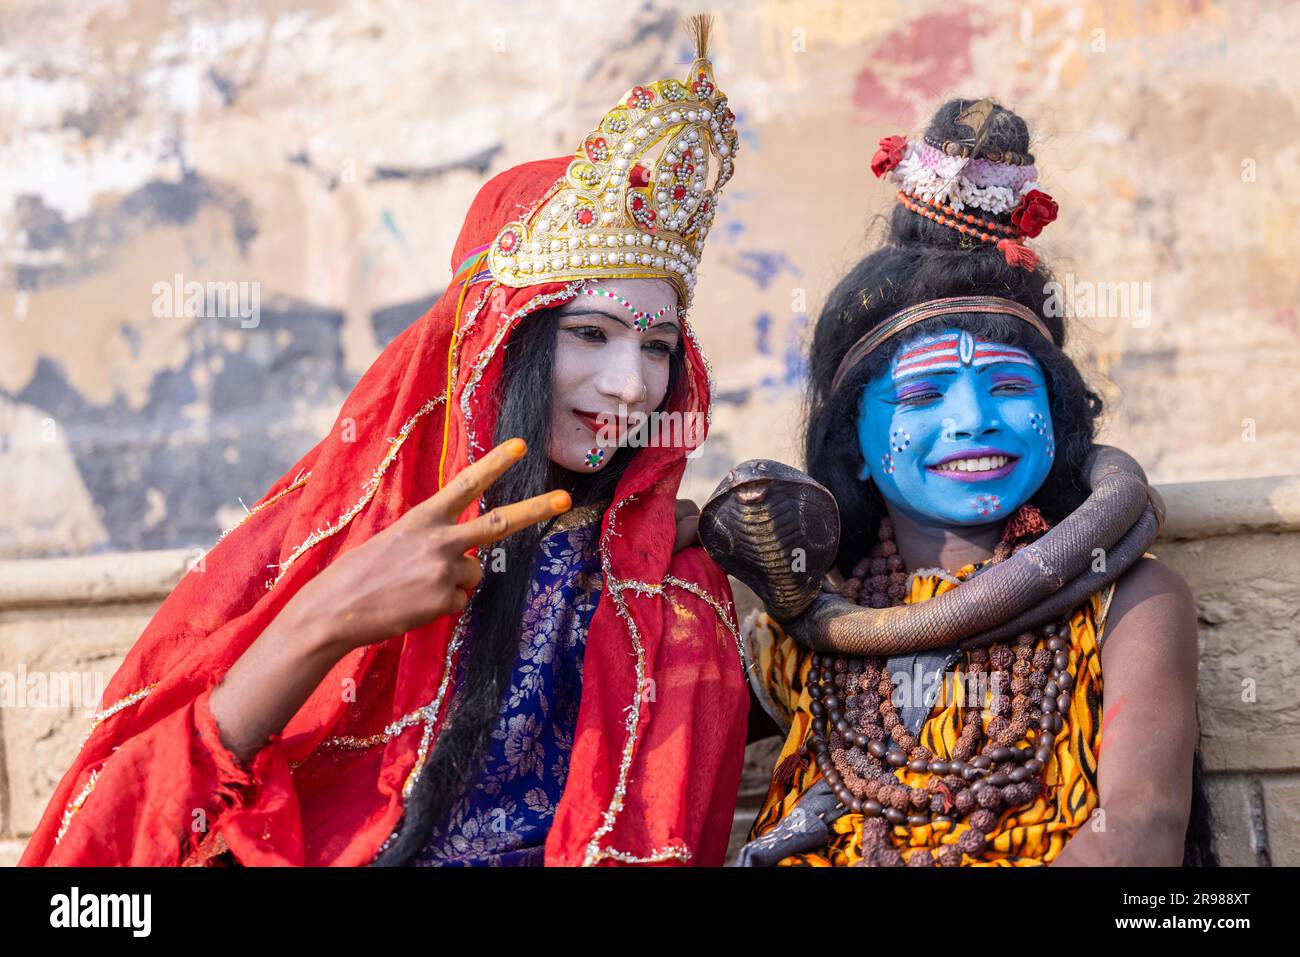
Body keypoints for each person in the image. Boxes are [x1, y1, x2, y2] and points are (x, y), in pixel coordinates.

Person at [22, 17, 749, 867]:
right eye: (590, 334)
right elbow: (106, 861)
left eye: (656, 348)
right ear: (494, 341)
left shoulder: (670, 590)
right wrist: (320, 622)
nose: (631, 384)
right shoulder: (338, 541)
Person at [702, 97, 1216, 866]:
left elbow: (1139, 833)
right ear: (857, 445)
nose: (974, 419)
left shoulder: (1126, 600)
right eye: (922, 394)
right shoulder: (806, 624)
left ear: (1060, 415)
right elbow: (638, 726)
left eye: (1010, 388)